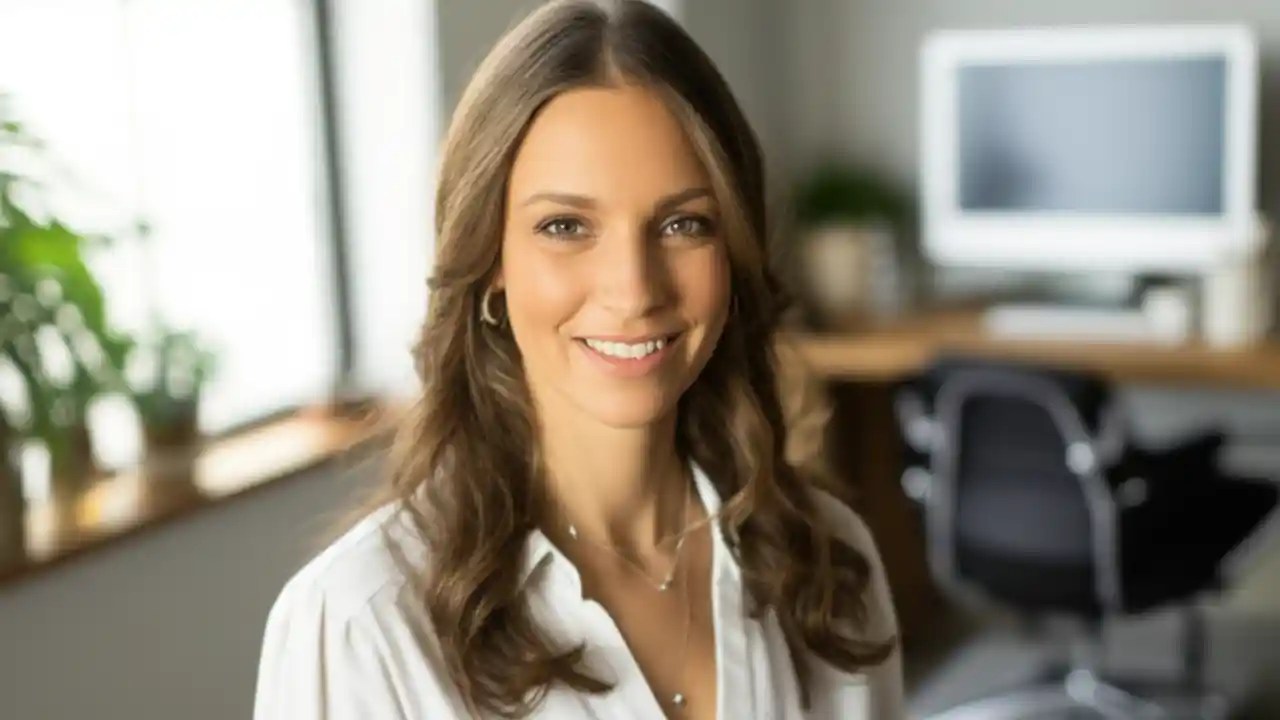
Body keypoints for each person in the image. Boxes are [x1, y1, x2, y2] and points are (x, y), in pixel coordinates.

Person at [253, 1, 903, 718]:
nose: (633, 289)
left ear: (735, 251)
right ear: (489, 260)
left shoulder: (830, 565)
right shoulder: (360, 624)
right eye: (565, 226)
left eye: (684, 223)